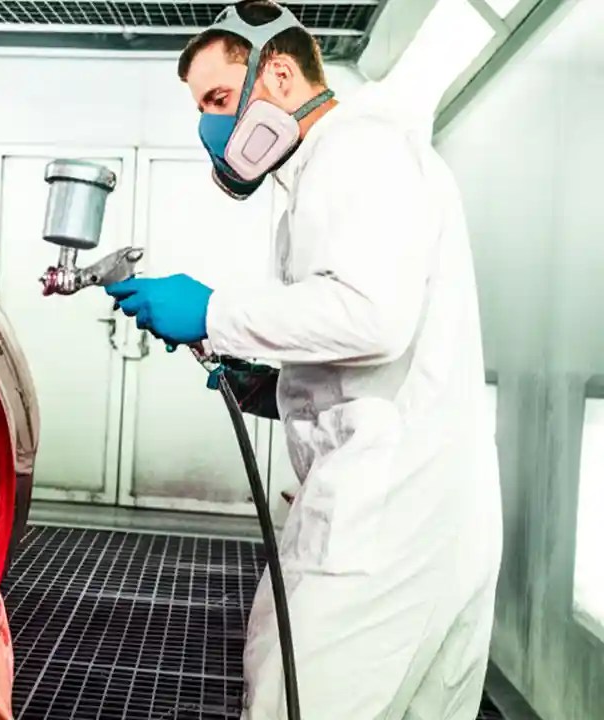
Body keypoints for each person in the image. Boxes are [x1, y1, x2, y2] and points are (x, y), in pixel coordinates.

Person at [104, 2, 503, 718]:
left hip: (380, 523)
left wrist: (214, 312)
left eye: (220, 100)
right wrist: (271, 384)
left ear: (279, 75)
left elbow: (371, 314)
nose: (212, 128)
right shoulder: (333, 165)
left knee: (296, 699)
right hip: (413, 513)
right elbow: (362, 341)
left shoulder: (360, 148)